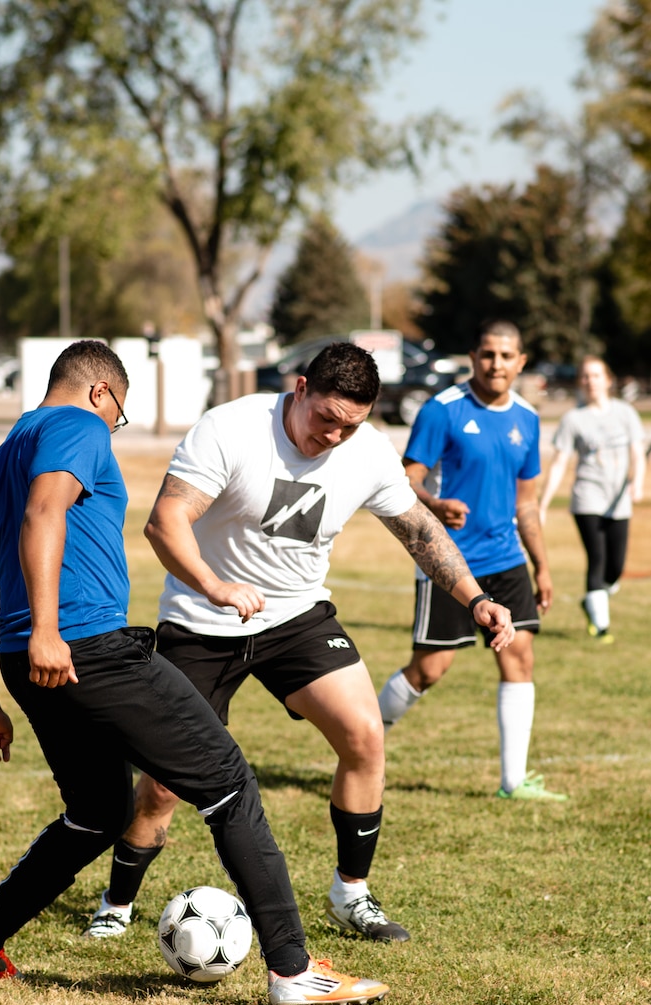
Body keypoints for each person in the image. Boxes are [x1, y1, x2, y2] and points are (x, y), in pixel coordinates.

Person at [0, 338, 390, 1005]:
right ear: (101, 391)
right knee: (228, 783)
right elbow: (44, 512)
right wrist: (49, 631)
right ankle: (294, 972)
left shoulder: (2, 456)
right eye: (118, 414)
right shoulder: (77, 424)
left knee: (99, 812)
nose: (113, 427)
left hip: (24, 658)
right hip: (84, 648)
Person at [84, 341, 514, 944]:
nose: (334, 437)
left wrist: (475, 599)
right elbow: (166, 521)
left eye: (350, 426)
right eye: (326, 419)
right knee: (165, 784)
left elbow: (419, 529)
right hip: (203, 621)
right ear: (301, 388)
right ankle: (117, 903)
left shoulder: (366, 450)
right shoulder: (231, 428)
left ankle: (351, 894)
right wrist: (215, 586)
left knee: (364, 735)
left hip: (296, 618)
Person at [378, 319, 568, 803]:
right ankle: (364, 742)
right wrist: (435, 505)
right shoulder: (442, 410)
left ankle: (513, 782)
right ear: (473, 357)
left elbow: (527, 503)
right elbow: (406, 480)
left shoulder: (527, 419)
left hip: (506, 557)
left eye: (506, 356)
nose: (496, 364)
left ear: (521, 362)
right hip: (449, 562)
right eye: (487, 354)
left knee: (519, 656)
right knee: (430, 669)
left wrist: (542, 566)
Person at [539, 355, 646, 642]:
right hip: (587, 497)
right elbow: (559, 463)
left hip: (618, 500)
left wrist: (638, 483)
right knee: (597, 558)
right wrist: (543, 504)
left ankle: (592, 602)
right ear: (580, 382)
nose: (591, 381)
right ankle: (601, 627)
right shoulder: (573, 419)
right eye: (585, 376)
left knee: (616, 567)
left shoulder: (625, 413)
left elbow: (638, 453)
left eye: (596, 375)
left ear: (608, 380)